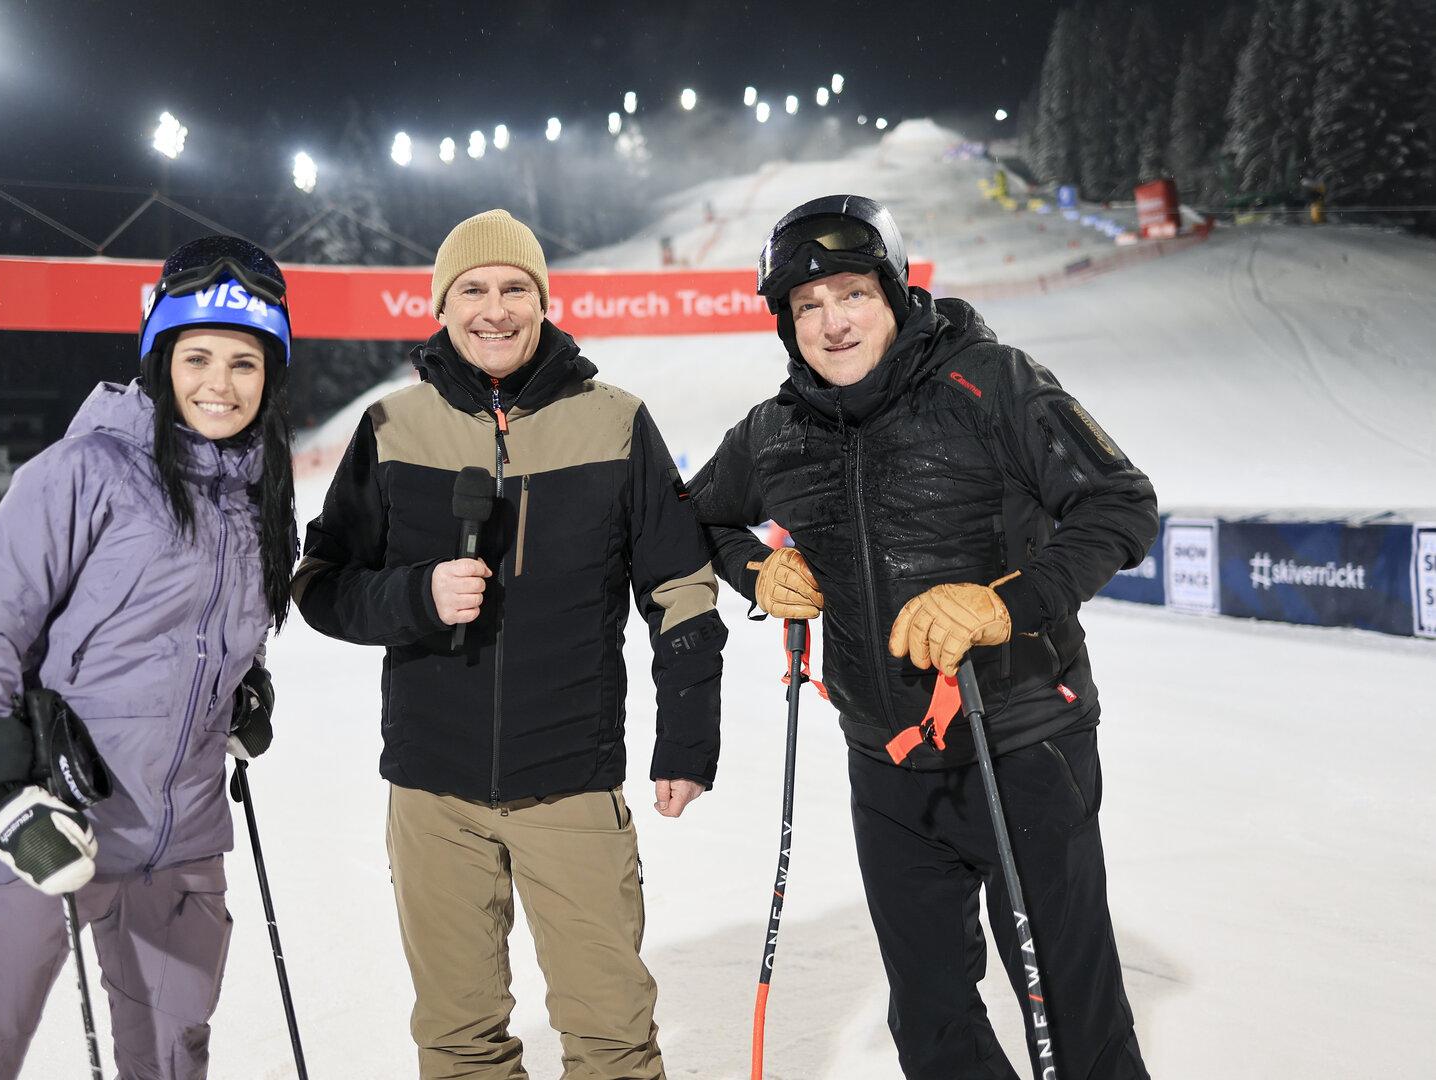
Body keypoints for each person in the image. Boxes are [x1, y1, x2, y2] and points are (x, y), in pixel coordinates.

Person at [689, 194, 1156, 1079]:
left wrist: (1003, 604)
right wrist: (757, 572)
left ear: (896, 292)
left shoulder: (991, 383)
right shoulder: (776, 430)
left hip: (1022, 742)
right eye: (806, 307)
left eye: (852, 294)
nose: (832, 323)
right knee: (932, 1021)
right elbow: (694, 519)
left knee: (1072, 1014)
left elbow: (1120, 504)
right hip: (888, 763)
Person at [293, 209, 726, 1079]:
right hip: (432, 794)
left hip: (569, 779)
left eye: (515, 288)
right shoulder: (391, 428)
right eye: (474, 289)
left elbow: (680, 589)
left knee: (610, 1035)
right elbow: (321, 582)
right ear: (443, 305)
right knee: (457, 1039)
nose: (496, 309)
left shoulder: (615, 422)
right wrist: (417, 595)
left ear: (542, 300)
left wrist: (688, 737)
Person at [0, 235, 298, 1080]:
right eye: (196, 357)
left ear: (272, 376)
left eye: (244, 364)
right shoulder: (86, 470)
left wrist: (242, 687)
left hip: (181, 839)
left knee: (170, 1061)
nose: (218, 386)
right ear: (160, 356)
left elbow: (203, 631)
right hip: (47, 818)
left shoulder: (261, 497)